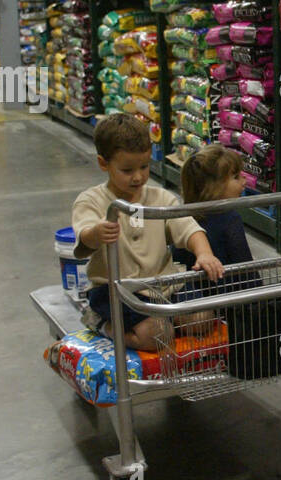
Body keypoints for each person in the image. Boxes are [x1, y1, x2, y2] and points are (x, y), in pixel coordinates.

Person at [72, 114, 224, 351]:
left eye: (144, 167)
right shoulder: (91, 201)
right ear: (104, 163)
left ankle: (165, 320)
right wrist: (96, 233)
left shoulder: (159, 198)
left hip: (164, 285)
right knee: (156, 334)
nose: (138, 176)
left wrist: (204, 253)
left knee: (204, 317)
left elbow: (188, 227)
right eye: (127, 170)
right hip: (115, 289)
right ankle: (101, 323)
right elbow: (84, 235)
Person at [174, 143, 262, 293]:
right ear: (213, 187)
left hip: (198, 299)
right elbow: (247, 271)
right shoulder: (230, 219)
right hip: (234, 302)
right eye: (236, 177)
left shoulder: (184, 218)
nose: (244, 181)